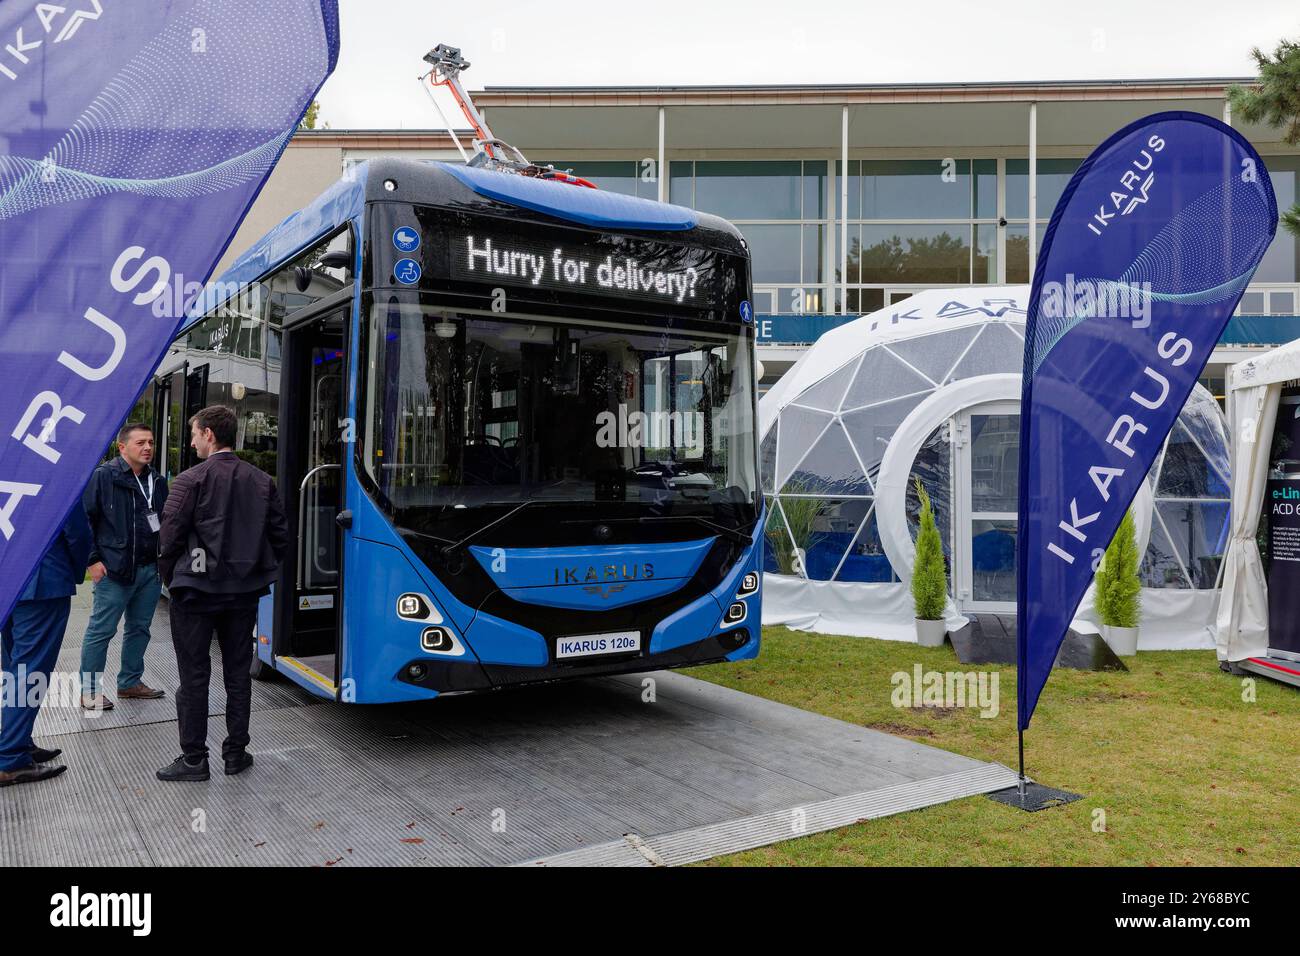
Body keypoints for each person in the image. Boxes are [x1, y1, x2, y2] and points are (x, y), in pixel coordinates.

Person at [157, 405, 288, 782]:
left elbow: (169, 537)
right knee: (237, 674)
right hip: (243, 594)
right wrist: (254, 571)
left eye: (195, 432)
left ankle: (194, 759)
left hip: (195, 593)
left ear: (210, 434)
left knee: (194, 676)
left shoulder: (189, 480)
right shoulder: (262, 481)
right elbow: (279, 537)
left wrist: (174, 576)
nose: (193, 439)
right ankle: (236, 753)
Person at [0, 506, 94, 787]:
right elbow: (77, 534)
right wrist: (74, 572)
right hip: (43, 582)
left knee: (13, 668)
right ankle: (10, 757)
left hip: (7, 579)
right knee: (29, 671)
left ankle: (16, 740)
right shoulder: (55, 469)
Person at [79, 423, 169, 710]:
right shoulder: (103, 477)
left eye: (151, 442)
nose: (147, 448)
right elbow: (84, 520)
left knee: (140, 629)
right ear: (122, 447)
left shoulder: (157, 480)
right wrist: (92, 560)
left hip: (150, 571)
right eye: (140, 442)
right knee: (101, 631)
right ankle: (89, 692)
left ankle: (130, 682)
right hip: (115, 572)